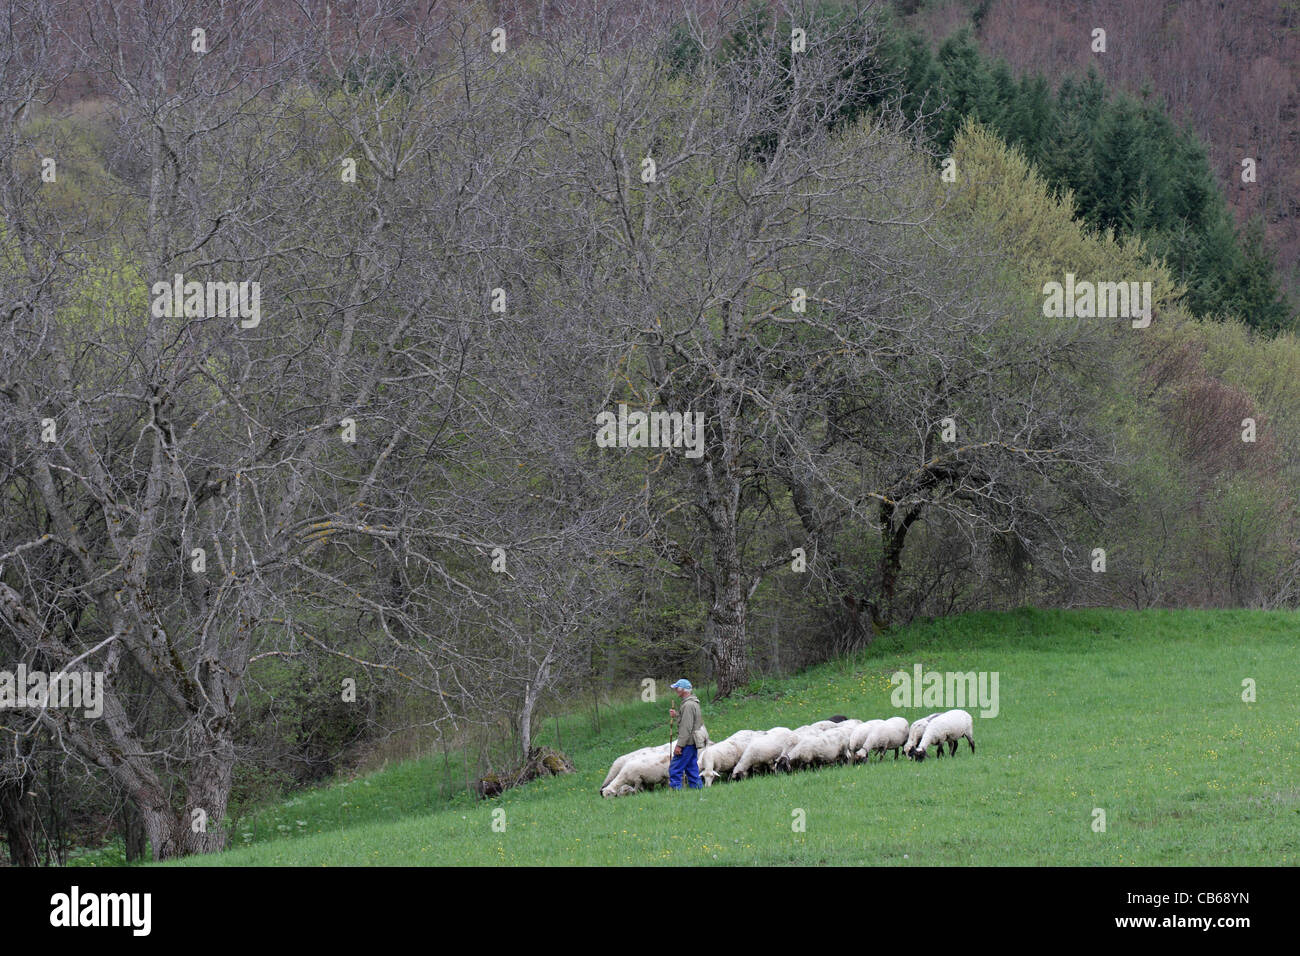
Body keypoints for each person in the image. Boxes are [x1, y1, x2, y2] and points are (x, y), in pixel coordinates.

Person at [668, 678, 704, 790]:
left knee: (675, 768)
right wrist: (677, 715)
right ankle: (698, 790)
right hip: (693, 741)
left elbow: (686, 727)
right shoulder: (693, 703)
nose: (675, 691)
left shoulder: (688, 705)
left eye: (677, 688)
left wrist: (680, 745)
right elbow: (688, 721)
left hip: (687, 743)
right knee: (691, 767)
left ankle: (676, 793)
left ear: (683, 689)